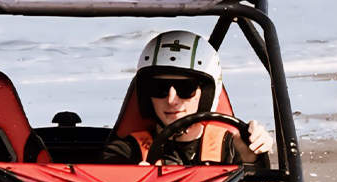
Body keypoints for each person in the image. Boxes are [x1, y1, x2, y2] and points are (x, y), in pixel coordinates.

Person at [102, 30, 274, 165]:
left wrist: (253, 156)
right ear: (147, 95)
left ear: (205, 94)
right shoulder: (126, 152)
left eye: (185, 88)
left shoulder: (230, 148)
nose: (171, 99)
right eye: (159, 88)